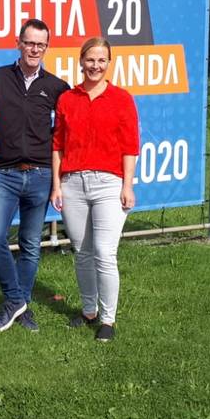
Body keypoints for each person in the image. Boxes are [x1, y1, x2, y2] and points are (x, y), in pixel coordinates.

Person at [0, 18, 70, 333]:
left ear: (47, 47)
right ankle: (15, 300)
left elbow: (64, 136)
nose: (34, 49)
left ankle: (21, 305)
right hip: (5, 174)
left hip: (41, 176)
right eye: (29, 43)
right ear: (18, 43)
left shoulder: (57, 87)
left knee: (31, 244)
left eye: (40, 45)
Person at [49, 37, 139, 343]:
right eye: (90, 60)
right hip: (72, 184)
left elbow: (130, 146)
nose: (95, 66)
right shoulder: (67, 99)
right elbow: (58, 145)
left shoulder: (122, 99)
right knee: (83, 252)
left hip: (109, 184)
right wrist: (56, 185)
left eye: (101, 60)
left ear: (109, 63)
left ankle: (108, 319)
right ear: (81, 62)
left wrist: (127, 185)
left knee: (104, 252)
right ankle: (89, 310)